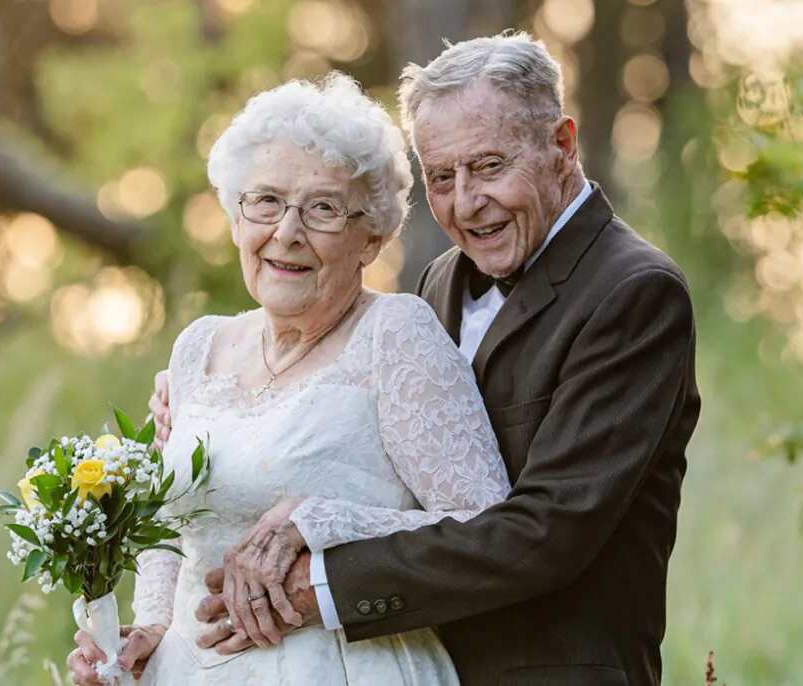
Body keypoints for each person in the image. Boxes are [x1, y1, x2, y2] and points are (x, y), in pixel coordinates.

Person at [153, 32, 701, 686]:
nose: (465, 203)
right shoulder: (443, 277)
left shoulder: (633, 292)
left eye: (490, 166)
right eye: (442, 176)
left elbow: (546, 532)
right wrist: (221, 418)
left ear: (562, 145)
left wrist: (318, 582)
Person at [66, 72, 511, 685]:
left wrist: (323, 520)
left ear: (371, 238)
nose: (287, 232)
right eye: (266, 201)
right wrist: (147, 633)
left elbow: (485, 528)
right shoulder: (197, 346)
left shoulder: (396, 333)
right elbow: (173, 530)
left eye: (323, 208)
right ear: (234, 216)